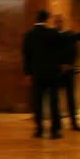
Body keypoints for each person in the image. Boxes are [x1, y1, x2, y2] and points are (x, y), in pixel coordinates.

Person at [52, 13, 80, 131]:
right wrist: (59, 65)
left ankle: (74, 123)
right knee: (55, 98)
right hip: (57, 71)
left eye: (60, 21)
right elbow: (50, 54)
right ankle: (57, 123)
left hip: (69, 71)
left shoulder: (69, 34)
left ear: (63, 22)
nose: (59, 23)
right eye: (57, 21)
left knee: (71, 98)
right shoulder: (51, 36)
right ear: (54, 23)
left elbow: (79, 36)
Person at [23, 9, 62, 138]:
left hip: (37, 73)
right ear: (47, 19)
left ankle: (39, 129)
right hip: (52, 73)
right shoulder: (52, 33)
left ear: (37, 19)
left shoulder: (29, 35)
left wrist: (27, 73)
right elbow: (61, 47)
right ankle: (54, 130)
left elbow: (26, 55)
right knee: (53, 102)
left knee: (38, 102)